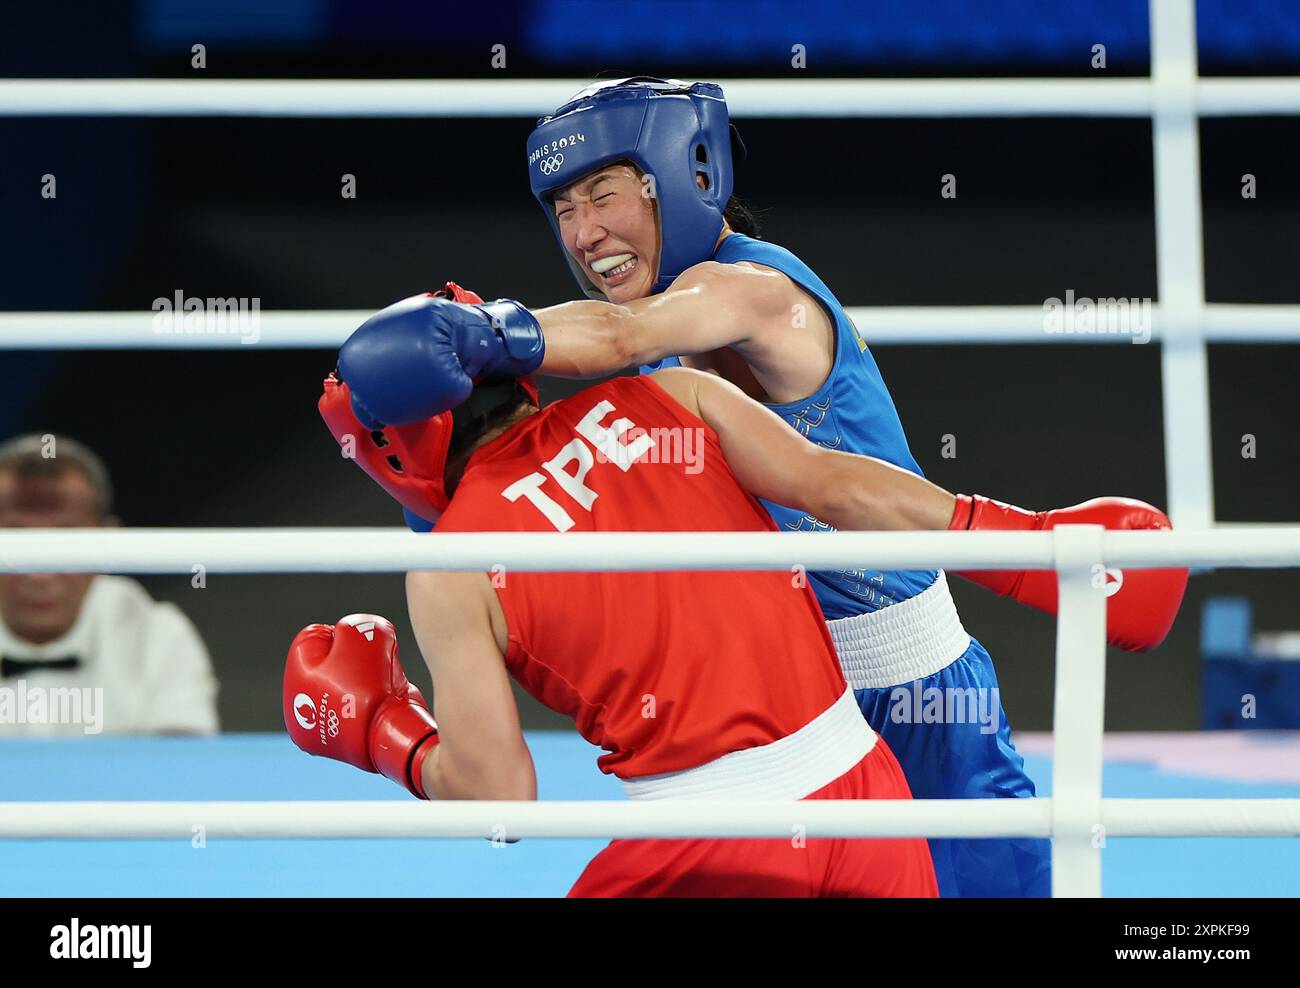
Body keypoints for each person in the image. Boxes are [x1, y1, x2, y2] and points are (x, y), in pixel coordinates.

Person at [323, 77, 1191, 899]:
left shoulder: (745, 290)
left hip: (905, 689)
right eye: (564, 208)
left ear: (680, 177)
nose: (583, 232)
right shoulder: (628, 355)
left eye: (605, 194)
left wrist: (1038, 553)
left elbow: (651, 355)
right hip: (779, 707)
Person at [0, 433, 219, 736]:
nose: (40, 572)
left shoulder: (158, 635)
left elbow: (182, 774)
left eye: (66, 537)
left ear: (108, 541)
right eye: (16, 538)